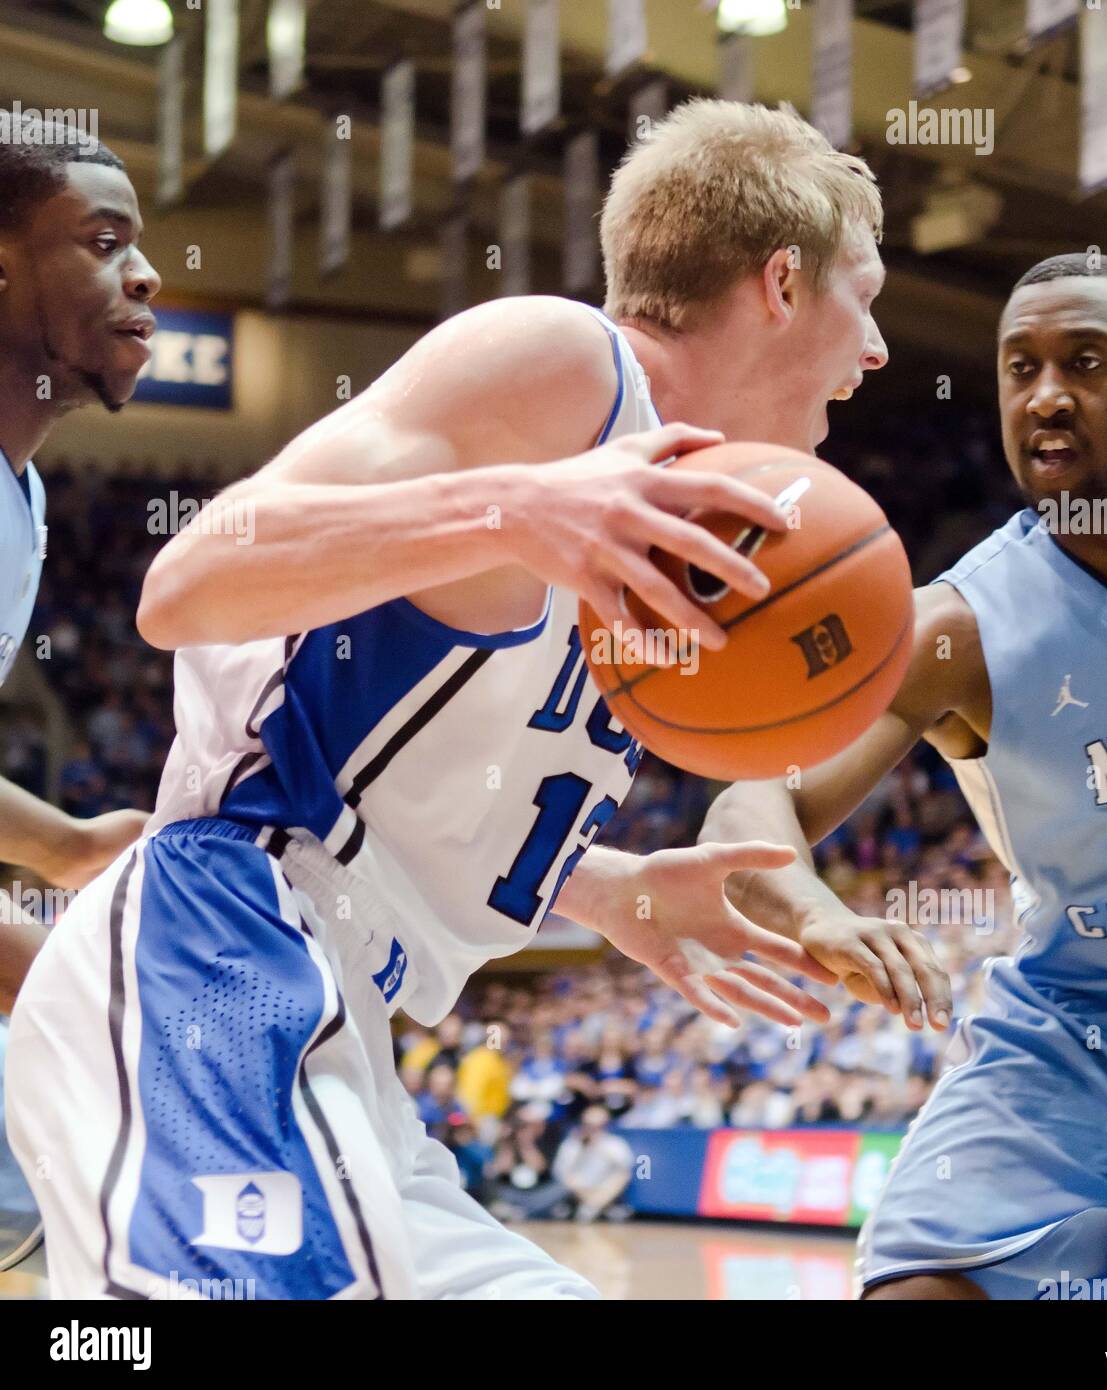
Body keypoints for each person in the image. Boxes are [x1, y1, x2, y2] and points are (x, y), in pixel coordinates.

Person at [6, 99, 948, 1299]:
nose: (875, 351)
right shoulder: (574, 370)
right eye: (861, 297)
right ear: (779, 282)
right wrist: (521, 506)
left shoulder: (675, 509)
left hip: (348, 1046)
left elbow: (395, 777)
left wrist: (600, 890)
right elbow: (188, 582)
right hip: (222, 965)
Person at [704, 253, 1107, 1299]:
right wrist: (814, 912)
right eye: (1020, 368)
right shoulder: (958, 628)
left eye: (1085, 363)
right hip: (1085, 1048)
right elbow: (753, 800)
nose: (1046, 395)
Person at [0, 126, 157, 1271]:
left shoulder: (27, 493)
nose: (145, 273)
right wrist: (37, 969)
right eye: (103, 243)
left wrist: (63, 847)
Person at [552, 1106, 635, 1222]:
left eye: (599, 1126)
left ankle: (592, 1207)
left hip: (604, 1188)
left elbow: (625, 1166)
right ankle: (596, 1208)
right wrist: (582, 1148)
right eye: (589, 1125)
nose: (593, 1130)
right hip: (579, 1188)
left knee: (622, 1176)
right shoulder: (572, 1143)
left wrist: (599, 1147)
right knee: (569, 1179)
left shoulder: (614, 1143)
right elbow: (560, 1170)